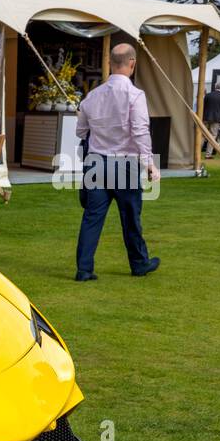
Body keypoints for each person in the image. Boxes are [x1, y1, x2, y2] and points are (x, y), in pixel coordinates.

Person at [74, 43, 160, 281]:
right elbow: (140, 131)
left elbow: (81, 132)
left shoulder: (92, 95)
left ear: (111, 63)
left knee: (92, 217)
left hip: (96, 162)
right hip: (124, 164)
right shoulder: (135, 95)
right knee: (131, 216)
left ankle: (84, 269)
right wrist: (149, 163)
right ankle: (139, 263)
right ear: (132, 63)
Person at [201, 81, 220, 158]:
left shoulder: (208, 95)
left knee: (202, 135)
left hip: (205, 117)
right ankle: (208, 154)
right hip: (216, 119)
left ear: (215, 87)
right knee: (212, 137)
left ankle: (197, 152)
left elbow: (203, 106)